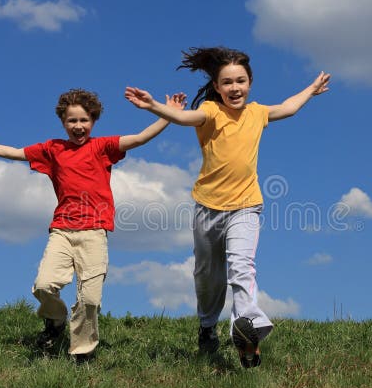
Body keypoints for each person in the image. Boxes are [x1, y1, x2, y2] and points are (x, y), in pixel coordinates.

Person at [125, 47, 330, 368]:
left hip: (246, 206)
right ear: (217, 87)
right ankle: (207, 328)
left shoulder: (257, 113)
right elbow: (183, 117)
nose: (235, 88)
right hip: (207, 208)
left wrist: (311, 90)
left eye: (241, 81)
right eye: (228, 83)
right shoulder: (211, 111)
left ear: (250, 83)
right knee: (208, 276)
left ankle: (247, 325)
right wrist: (154, 106)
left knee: (241, 267)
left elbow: (288, 108)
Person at [0, 88, 185, 363]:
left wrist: (169, 115)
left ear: (93, 121)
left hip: (95, 232)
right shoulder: (53, 149)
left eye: (84, 120)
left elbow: (140, 138)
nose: (78, 126)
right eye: (72, 121)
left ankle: (82, 353)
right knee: (43, 285)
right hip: (62, 230)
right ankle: (56, 320)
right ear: (63, 122)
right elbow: (16, 153)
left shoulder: (102, 147)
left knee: (90, 300)